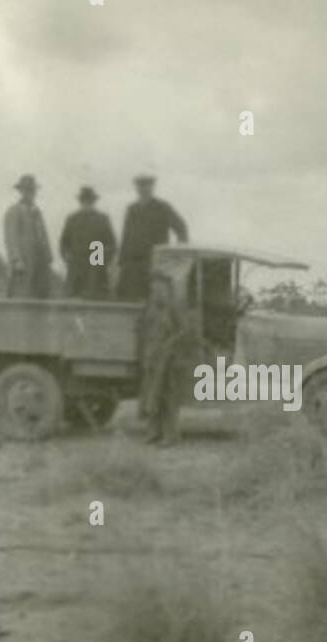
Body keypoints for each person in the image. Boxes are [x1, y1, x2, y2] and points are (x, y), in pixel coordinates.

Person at [140, 274, 199, 446]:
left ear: (168, 289)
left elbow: (186, 331)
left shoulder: (175, 308)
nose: (157, 292)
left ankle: (170, 436)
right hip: (153, 358)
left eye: (160, 288)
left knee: (169, 398)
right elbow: (145, 332)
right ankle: (153, 433)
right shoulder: (151, 308)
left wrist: (169, 343)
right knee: (152, 395)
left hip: (171, 360)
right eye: (154, 288)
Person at [117, 174, 187, 301]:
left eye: (147, 186)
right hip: (133, 263)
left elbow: (181, 228)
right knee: (129, 297)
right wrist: (122, 261)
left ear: (152, 188)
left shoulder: (162, 207)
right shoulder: (131, 209)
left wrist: (178, 255)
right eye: (140, 186)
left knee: (154, 299)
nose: (143, 189)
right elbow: (126, 236)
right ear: (137, 189)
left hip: (155, 260)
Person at [59, 186, 116, 300]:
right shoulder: (72, 219)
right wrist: (68, 257)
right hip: (76, 268)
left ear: (93, 202)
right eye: (84, 201)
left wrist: (99, 259)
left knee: (96, 298)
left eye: (89, 201)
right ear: (80, 202)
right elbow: (64, 243)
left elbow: (111, 243)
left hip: (95, 268)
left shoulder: (102, 219)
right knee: (74, 299)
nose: (87, 204)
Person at [3, 174, 53, 298]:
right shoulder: (14, 211)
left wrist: (48, 254)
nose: (30, 193)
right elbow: (11, 238)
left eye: (32, 190)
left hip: (40, 261)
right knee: (22, 294)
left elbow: (43, 235)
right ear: (21, 191)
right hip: (24, 262)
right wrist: (17, 259)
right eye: (27, 190)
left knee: (41, 294)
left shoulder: (37, 212)